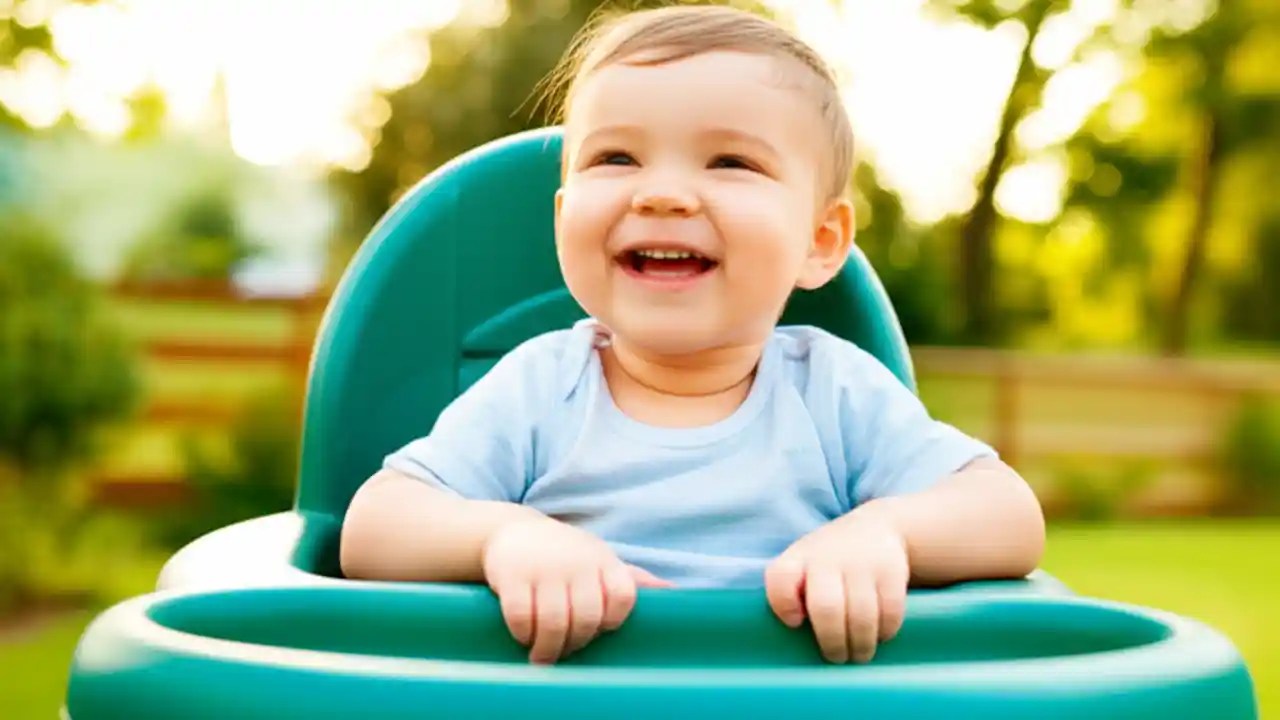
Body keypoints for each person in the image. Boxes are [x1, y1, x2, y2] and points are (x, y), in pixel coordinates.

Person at [340, 4, 1045, 667]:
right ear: (562, 221)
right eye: (616, 158)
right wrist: (505, 538)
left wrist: (885, 534)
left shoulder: (833, 393)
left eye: (730, 162)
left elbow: (1008, 516)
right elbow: (374, 529)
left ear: (820, 241)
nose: (662, 193)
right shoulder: (543, 387)